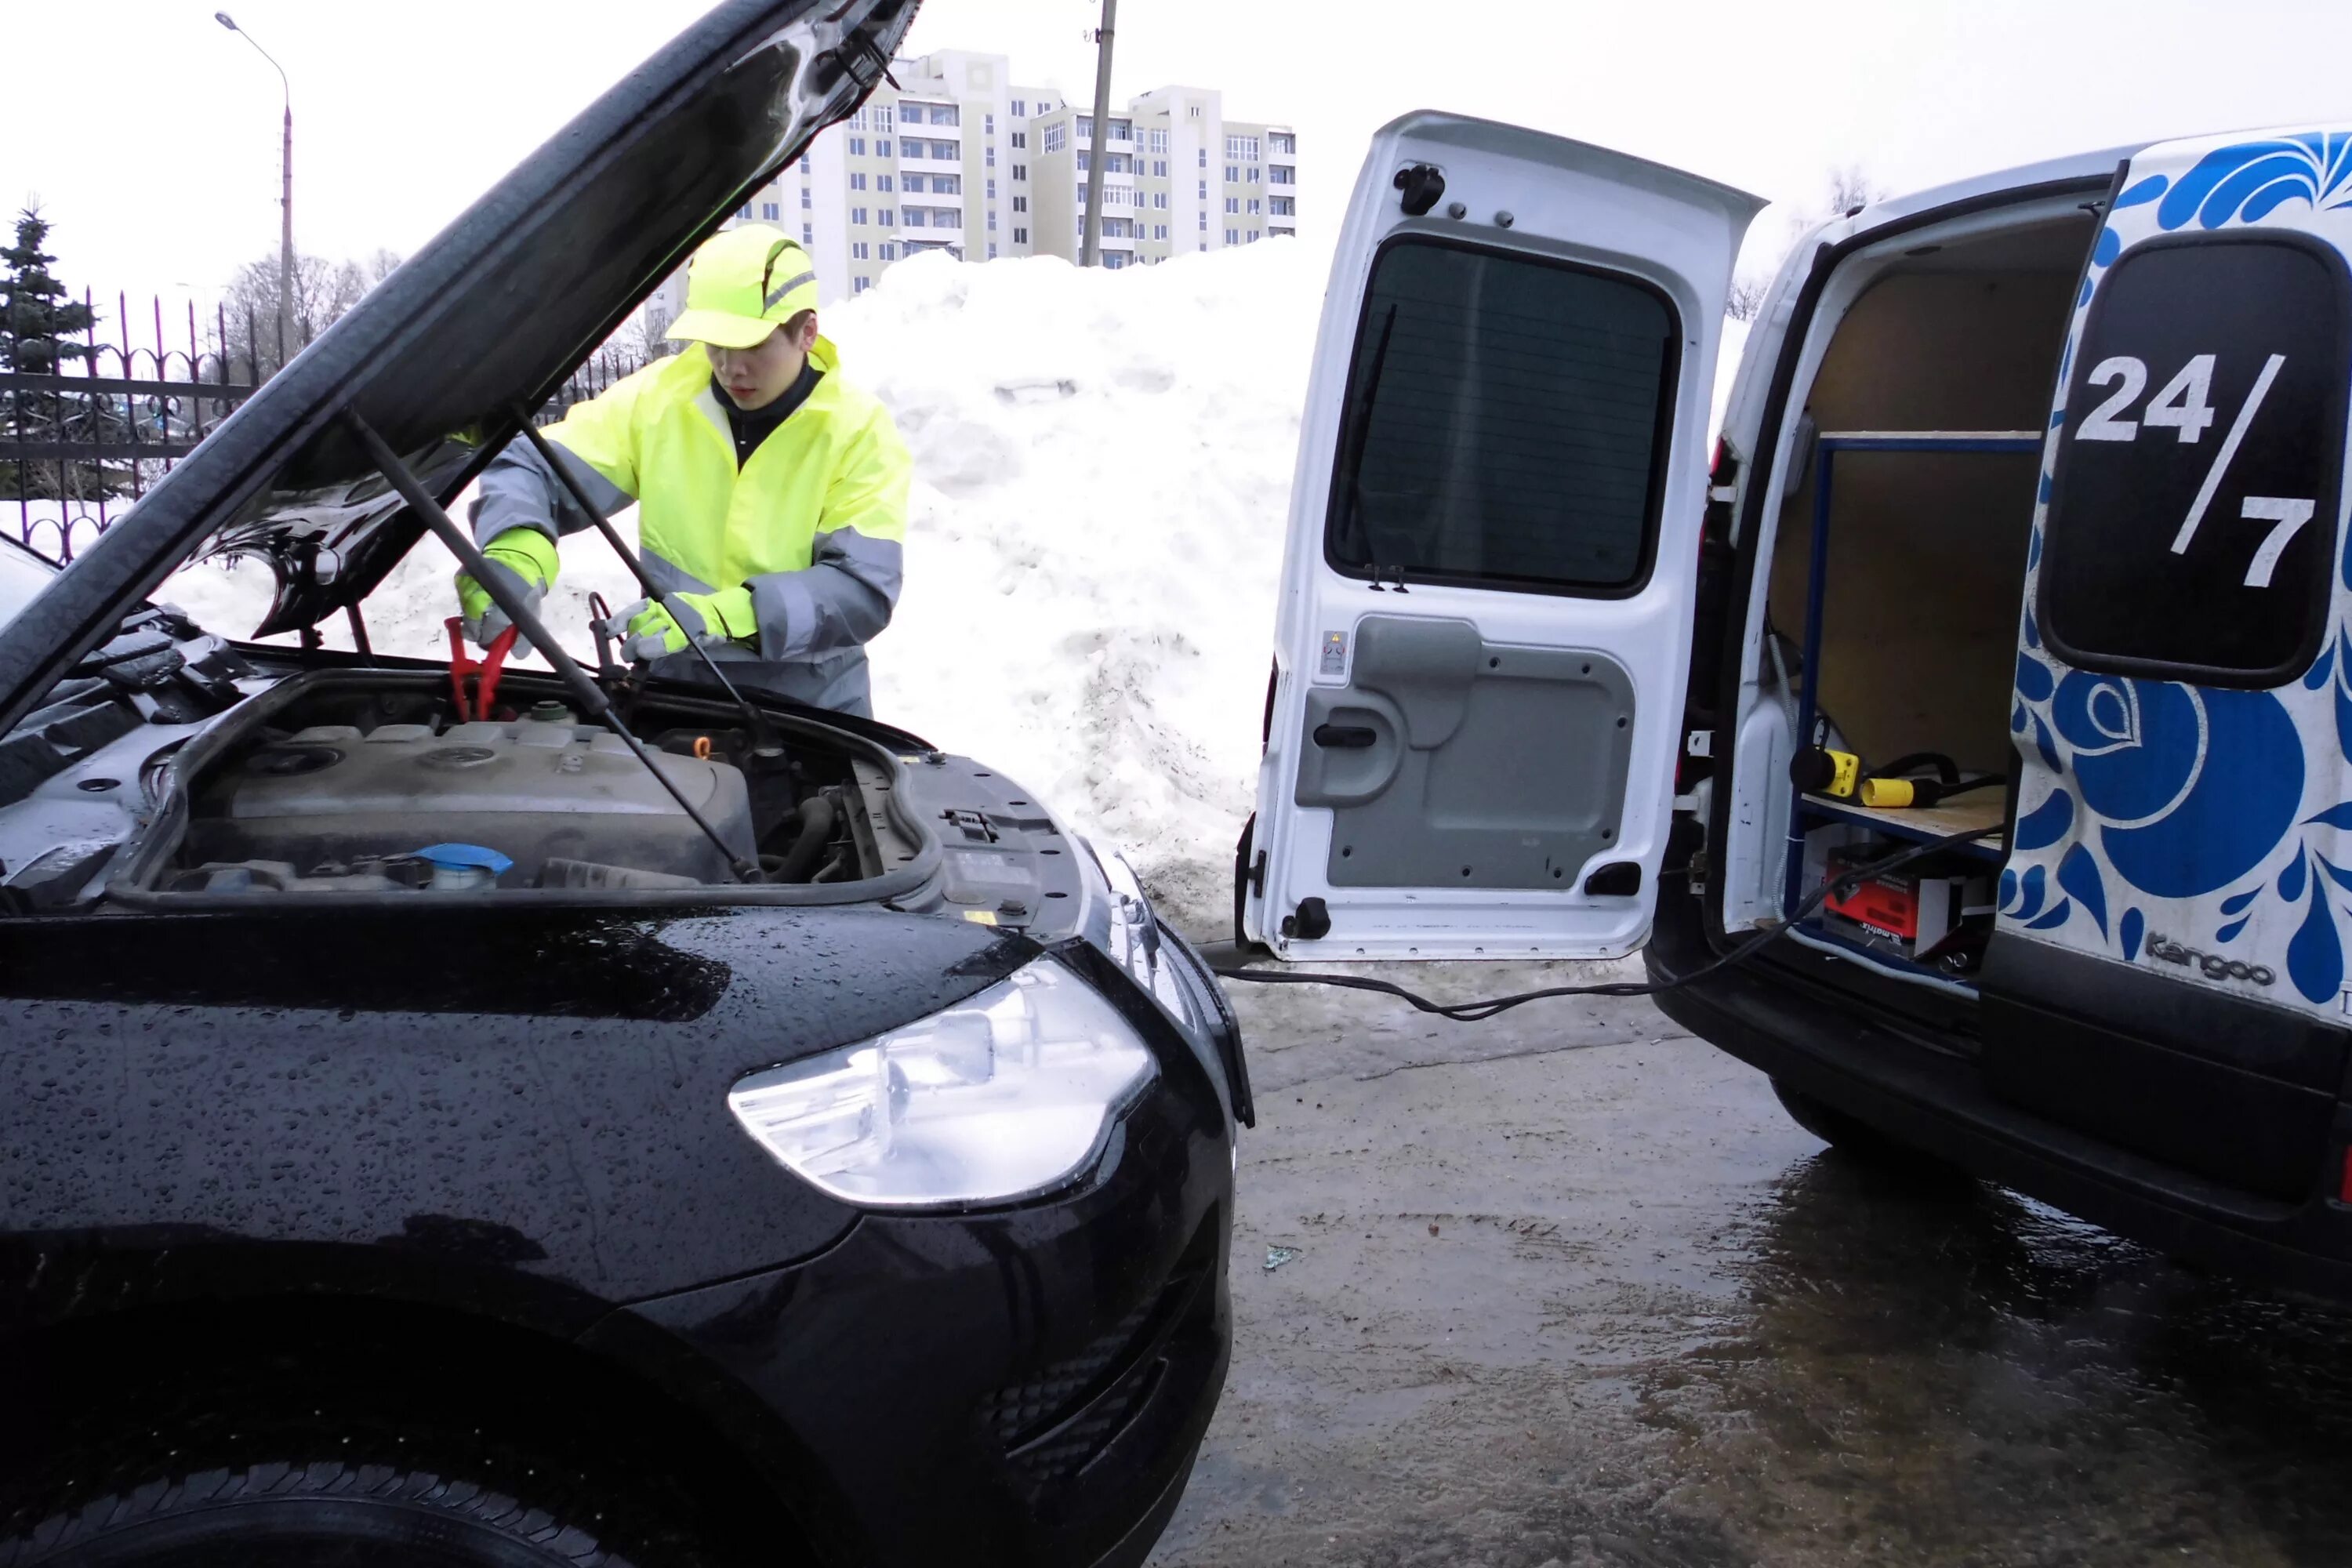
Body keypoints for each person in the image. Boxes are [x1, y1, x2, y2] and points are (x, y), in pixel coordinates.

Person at [456, 225, 910, 717]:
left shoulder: (858, 429)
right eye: (715, 344)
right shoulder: (661, 398)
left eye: (752, 345)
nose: (730, 367)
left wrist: (723, 615)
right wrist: (515, 551)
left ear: (807, 332)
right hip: (677, 685)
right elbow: (533, 466)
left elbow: (862, 589)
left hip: (813, 699)